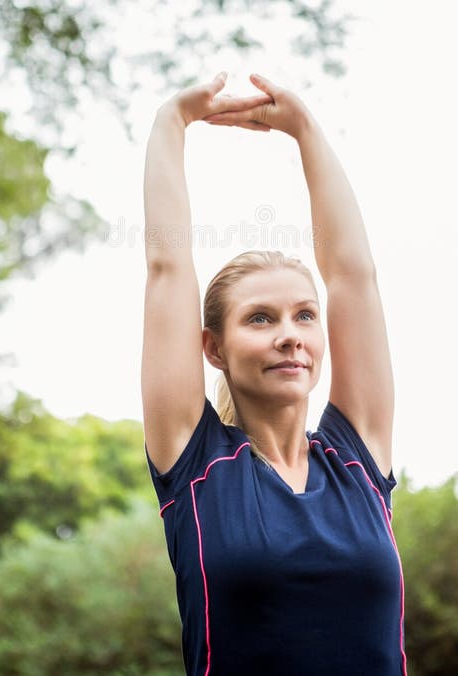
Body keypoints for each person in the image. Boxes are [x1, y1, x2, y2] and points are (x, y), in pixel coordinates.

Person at [141, 72, 407, 676]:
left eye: (304, 315)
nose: (290, 333)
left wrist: (305, 130)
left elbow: (353, 276)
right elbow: (166, 268)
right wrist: (171, 122)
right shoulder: (196, 463)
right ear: (212, 348)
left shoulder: (358, 460)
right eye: (260, 318)